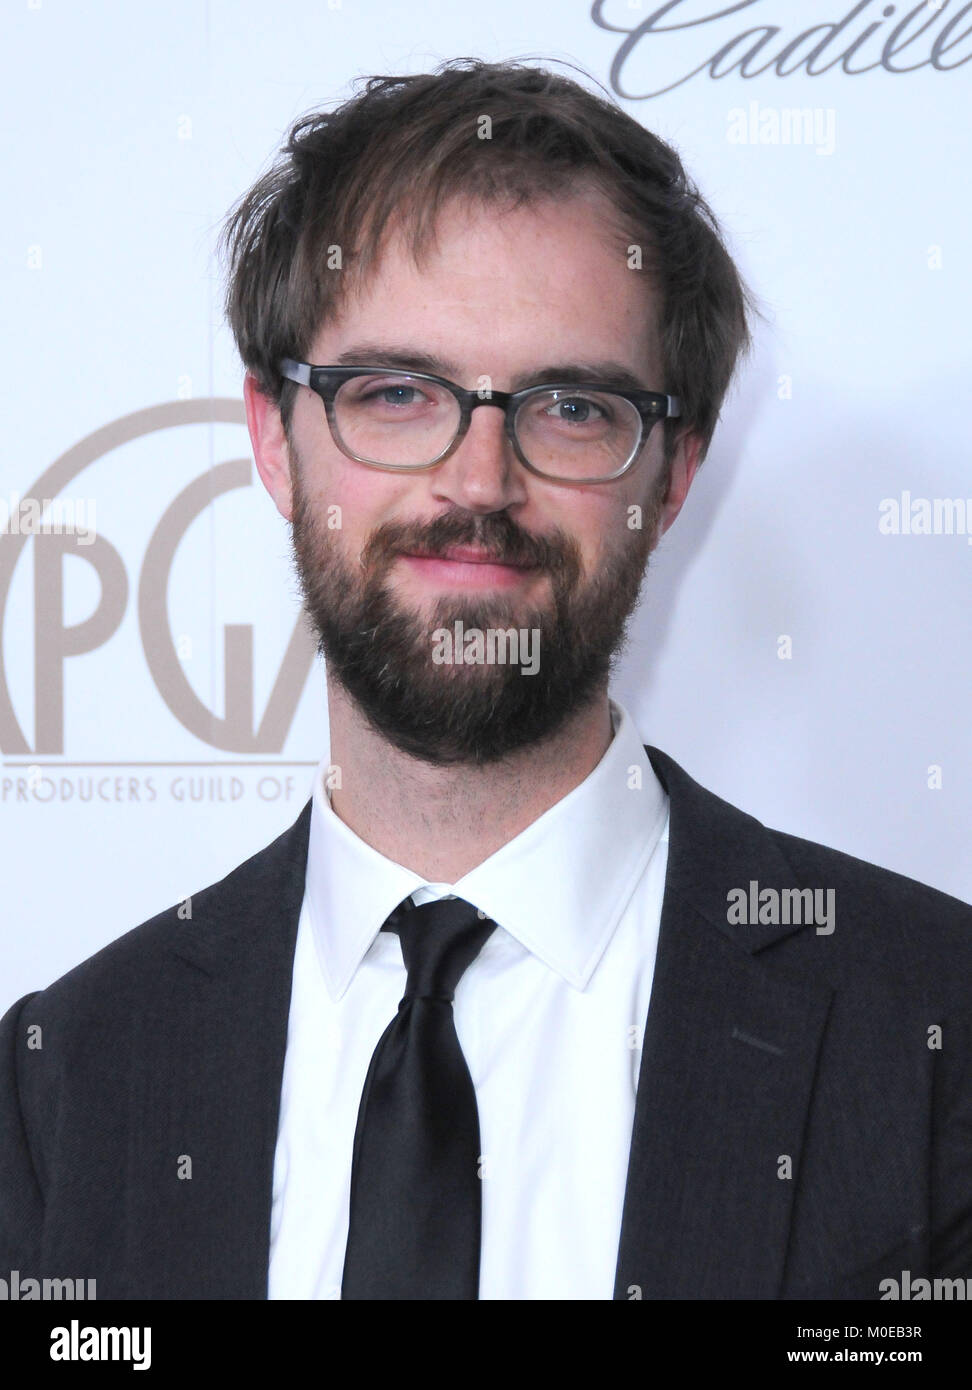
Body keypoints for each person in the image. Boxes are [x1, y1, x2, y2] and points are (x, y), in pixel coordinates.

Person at [1, 58, 970, 1302]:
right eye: (396, 393)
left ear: (671, 477)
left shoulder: (933, 1032)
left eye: (568, 407)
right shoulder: (70, 1080)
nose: (476, 483)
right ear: (271, 438)